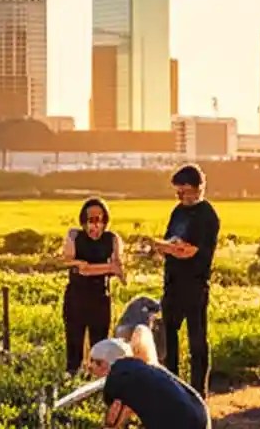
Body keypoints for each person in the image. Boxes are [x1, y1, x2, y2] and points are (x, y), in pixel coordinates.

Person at [153, 164, 219, 396]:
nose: (179, 195)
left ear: (196, 188)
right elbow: (172, 242)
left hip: (195, 284)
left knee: (197, 340)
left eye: (182, 190)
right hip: (172, 283)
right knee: (168, 336)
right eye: (177, 191)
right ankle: (173, 386)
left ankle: (199, 391)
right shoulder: (177, 211)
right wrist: (164, 248)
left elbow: (189, 250)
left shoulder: (207, 216)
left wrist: (166, 247)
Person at [88, 329, 209, 429]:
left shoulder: (116, 380)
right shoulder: (145, 369)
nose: (91, 369)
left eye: (95, 362)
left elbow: (113, 421)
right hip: (200, 415)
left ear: (105, 363)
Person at [62, 197, 125, 374]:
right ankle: (72, 380)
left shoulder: (112, 239)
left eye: (100, 220)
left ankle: (98, 385)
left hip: (100, 298)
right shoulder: (74, 236)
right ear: (84, 221)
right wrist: (107, 268)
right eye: (91, 220)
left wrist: (96, 268)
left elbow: (119, 269)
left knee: (101, 348)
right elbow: (79, 267)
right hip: (76, 298)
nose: (96, 226)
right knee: (74, 347)